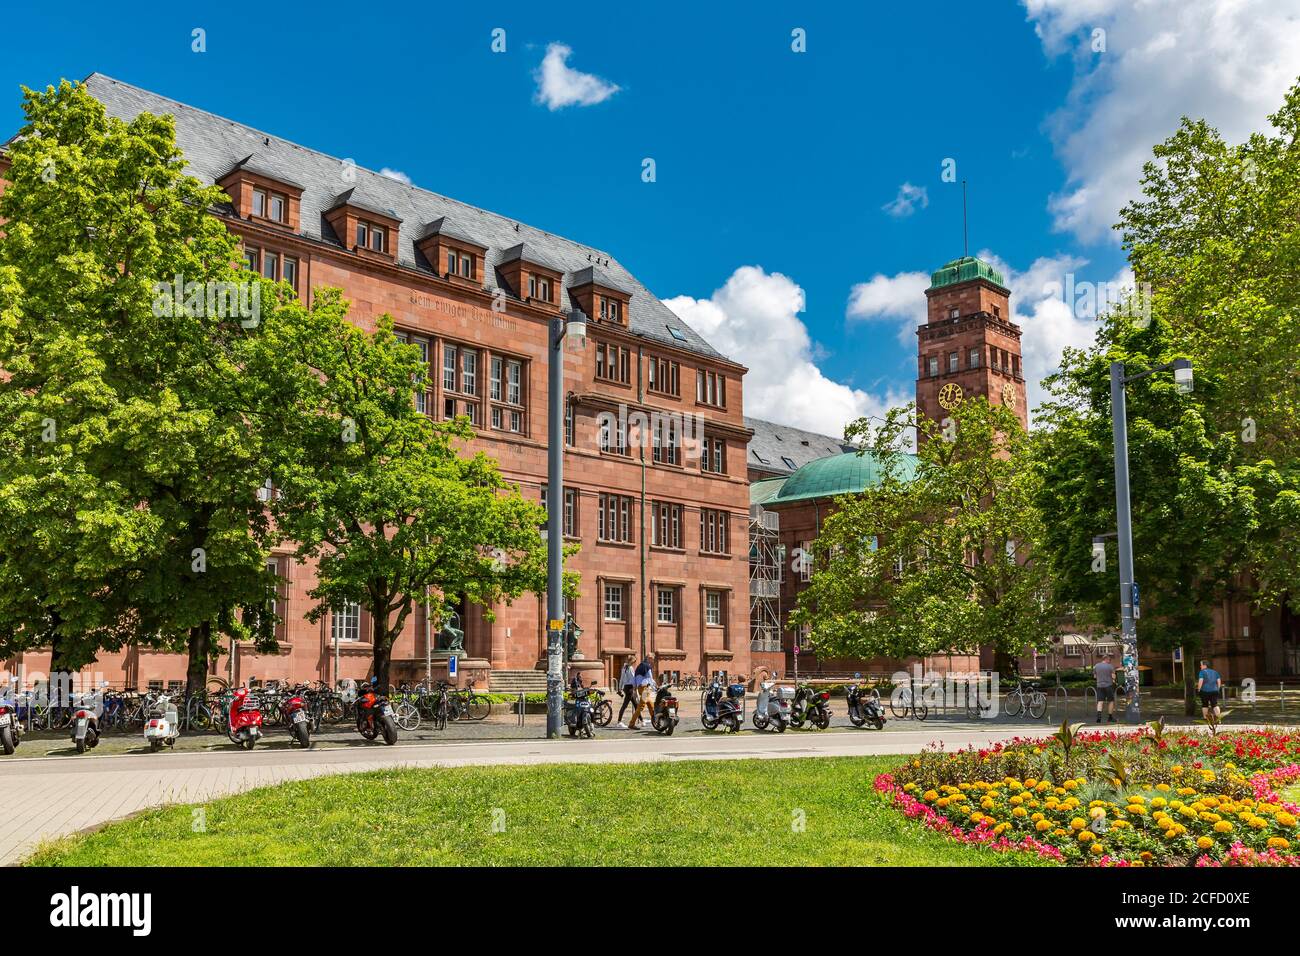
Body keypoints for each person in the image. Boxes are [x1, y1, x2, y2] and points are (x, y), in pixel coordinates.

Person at [629, 656, 655, 729]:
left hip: (640, 688)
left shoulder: (639, 666)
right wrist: (655, 687)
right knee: (641, 706)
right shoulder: (647, 666)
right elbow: (650, 678)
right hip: (645, 688)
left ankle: (655, 721)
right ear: (649, 659)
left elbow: (634, 678)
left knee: (651, 705)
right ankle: (631, 723)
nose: (653, 661)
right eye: (652, 659)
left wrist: (634, 687)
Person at [1094, 653, 1116, 723]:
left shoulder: (1096, 666)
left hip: (1099, 686)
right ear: (1106, 659)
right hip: (1108, 685)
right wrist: (1113, 679)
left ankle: (1099, 717)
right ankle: (1110, 717)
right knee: (1111, 701)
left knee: (1100, 701)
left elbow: (1095, 676)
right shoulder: (1110, 666)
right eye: (1109, 660)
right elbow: (1113, 677)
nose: (1110, 661)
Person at [615, 658, 636, 728]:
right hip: (629, 688)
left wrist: (620, 688)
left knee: (635, 704)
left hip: (626, 687)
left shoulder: (624, 667)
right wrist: (636, 686)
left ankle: (642, 720)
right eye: (633, 662)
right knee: (625, 705)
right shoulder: (630, 668)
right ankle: (619, 721)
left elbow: (621, 678)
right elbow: (633, 678)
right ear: (630, 661)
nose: (633, 663)